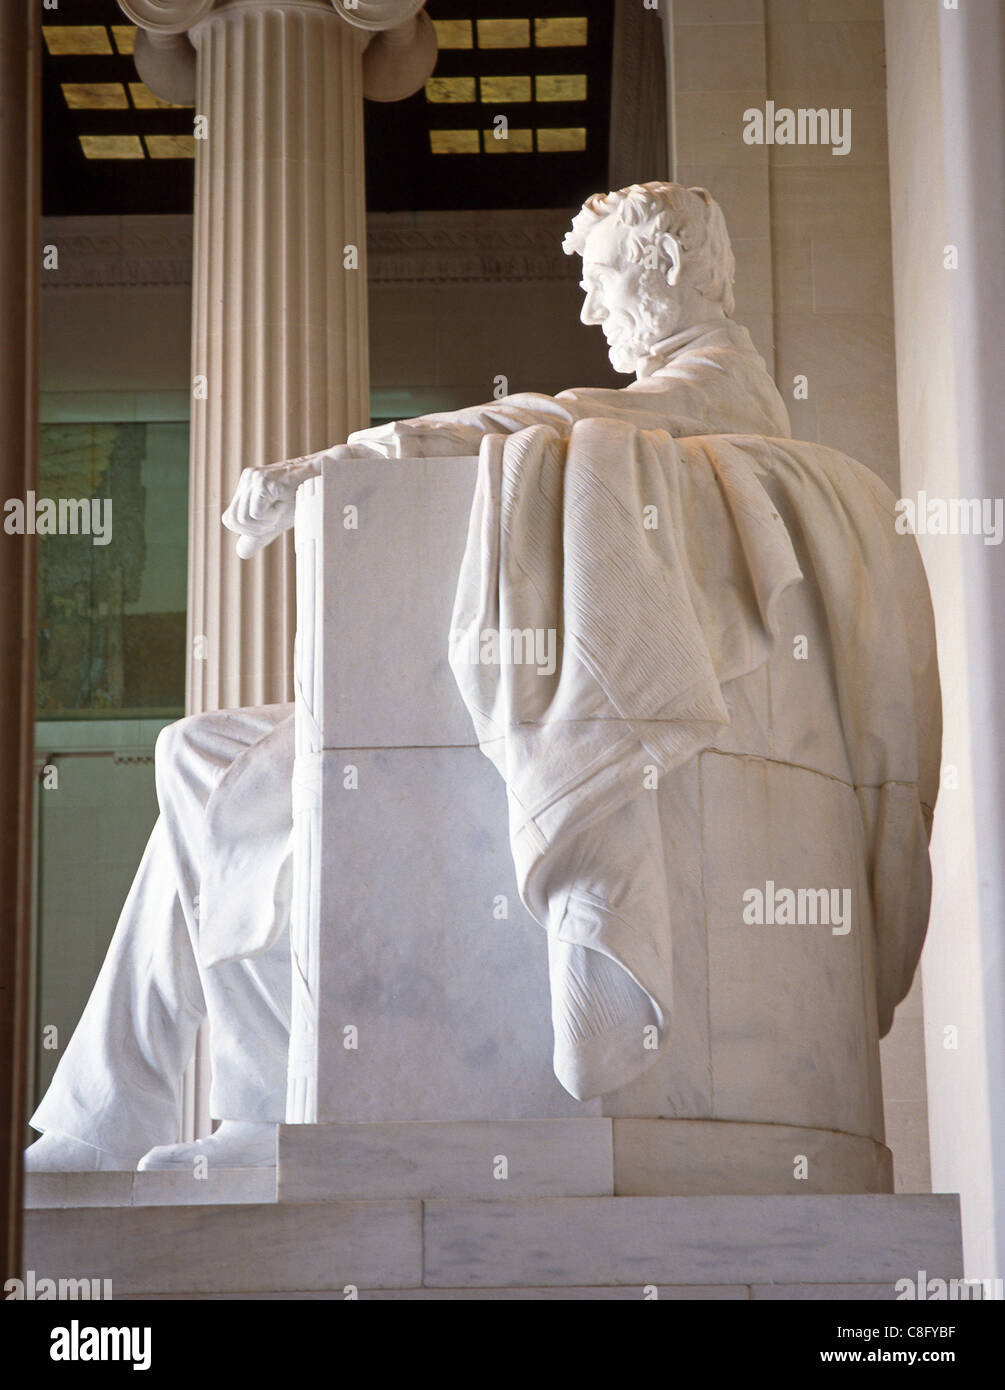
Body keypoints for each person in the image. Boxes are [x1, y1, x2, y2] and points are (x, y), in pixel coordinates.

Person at [25, 183, 794, 1172]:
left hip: (514, 716)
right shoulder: (684, 390)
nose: (589, 310)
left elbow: (552, 419)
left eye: (600, 281)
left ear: (669, 271)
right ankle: (205, 1109)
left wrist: (335, 464)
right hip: (490, 704)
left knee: (223, 783)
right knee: (202, 761)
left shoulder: (714, 382)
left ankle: (154, 1118)